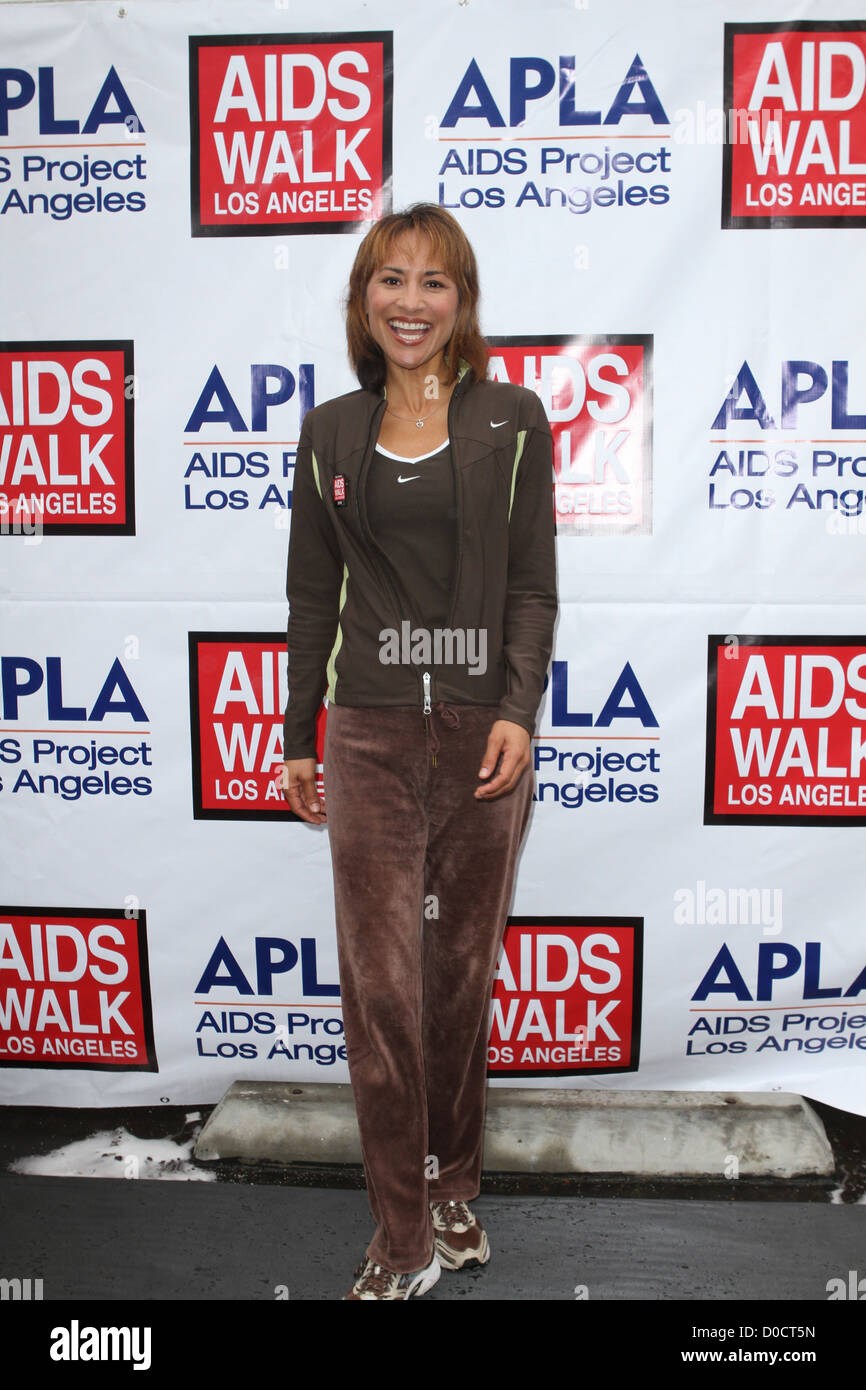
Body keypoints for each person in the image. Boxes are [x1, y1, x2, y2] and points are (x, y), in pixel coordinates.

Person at [280, 203, 557, 1300]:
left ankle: (449, 1185)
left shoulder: (512, 419)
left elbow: (532, 583)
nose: (409, 301)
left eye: (432, 282)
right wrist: (302, 725)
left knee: (453, 982)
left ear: (461, 301)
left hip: (480, 739)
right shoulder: (329, 432)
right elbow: (311, 594)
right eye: (388, 279)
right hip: (371, 738)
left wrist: (516, 710)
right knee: (381, 991)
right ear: (363, 300)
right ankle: (400, 1235)